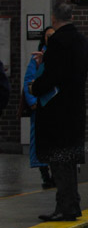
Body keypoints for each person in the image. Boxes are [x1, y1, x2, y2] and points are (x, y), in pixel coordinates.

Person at [30, 4, 88, 221]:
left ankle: (65, 207)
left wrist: (35, 87)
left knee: (58, 161)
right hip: (75, 109)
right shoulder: (82, 41)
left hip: (57, 112)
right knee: (69, 161)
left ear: (54, 18)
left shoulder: (57, 42)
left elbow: (53, 76)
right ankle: (71, 204)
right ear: (72, 16)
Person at [23, 27, 56, 188]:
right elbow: (29, 80)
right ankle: (45, 175)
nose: (50, 38)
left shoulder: (60, 55)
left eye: (53, 36)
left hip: (54, 105)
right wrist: (32, 101)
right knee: (38, 141)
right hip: (40, 105)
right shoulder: (37, 56)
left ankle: (55, 173)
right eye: (47, 36)